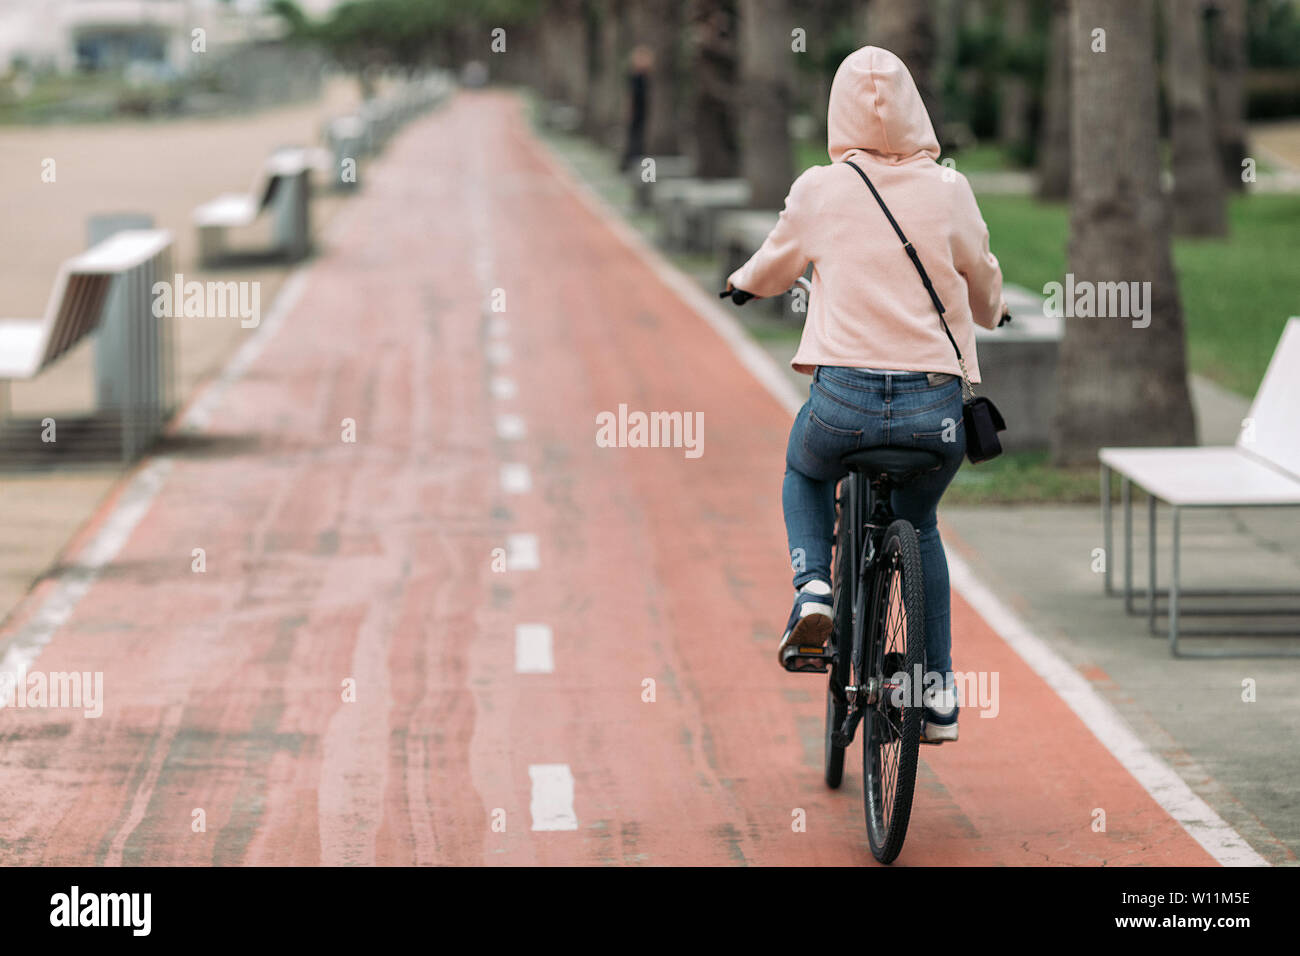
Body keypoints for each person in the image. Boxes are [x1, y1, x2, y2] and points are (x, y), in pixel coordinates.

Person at [726, 46, 1007, 744]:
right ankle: (935, 691)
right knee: (924, 525)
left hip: (843, 405)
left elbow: (773, 262)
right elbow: (982, 277)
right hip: (933, 414)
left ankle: (813, 589)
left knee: (804, 466)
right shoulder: (949, 190)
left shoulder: (820, 188)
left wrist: (741, 283)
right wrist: (993, 312)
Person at [619, 45, 655, 172]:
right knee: (633, 137)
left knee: (638, 137)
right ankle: (627, 164)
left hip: (642, 111)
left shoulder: (645, 77)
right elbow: (631, 96)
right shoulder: (635, 77)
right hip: (636, 111)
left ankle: (635, 162)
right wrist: (629, 111)